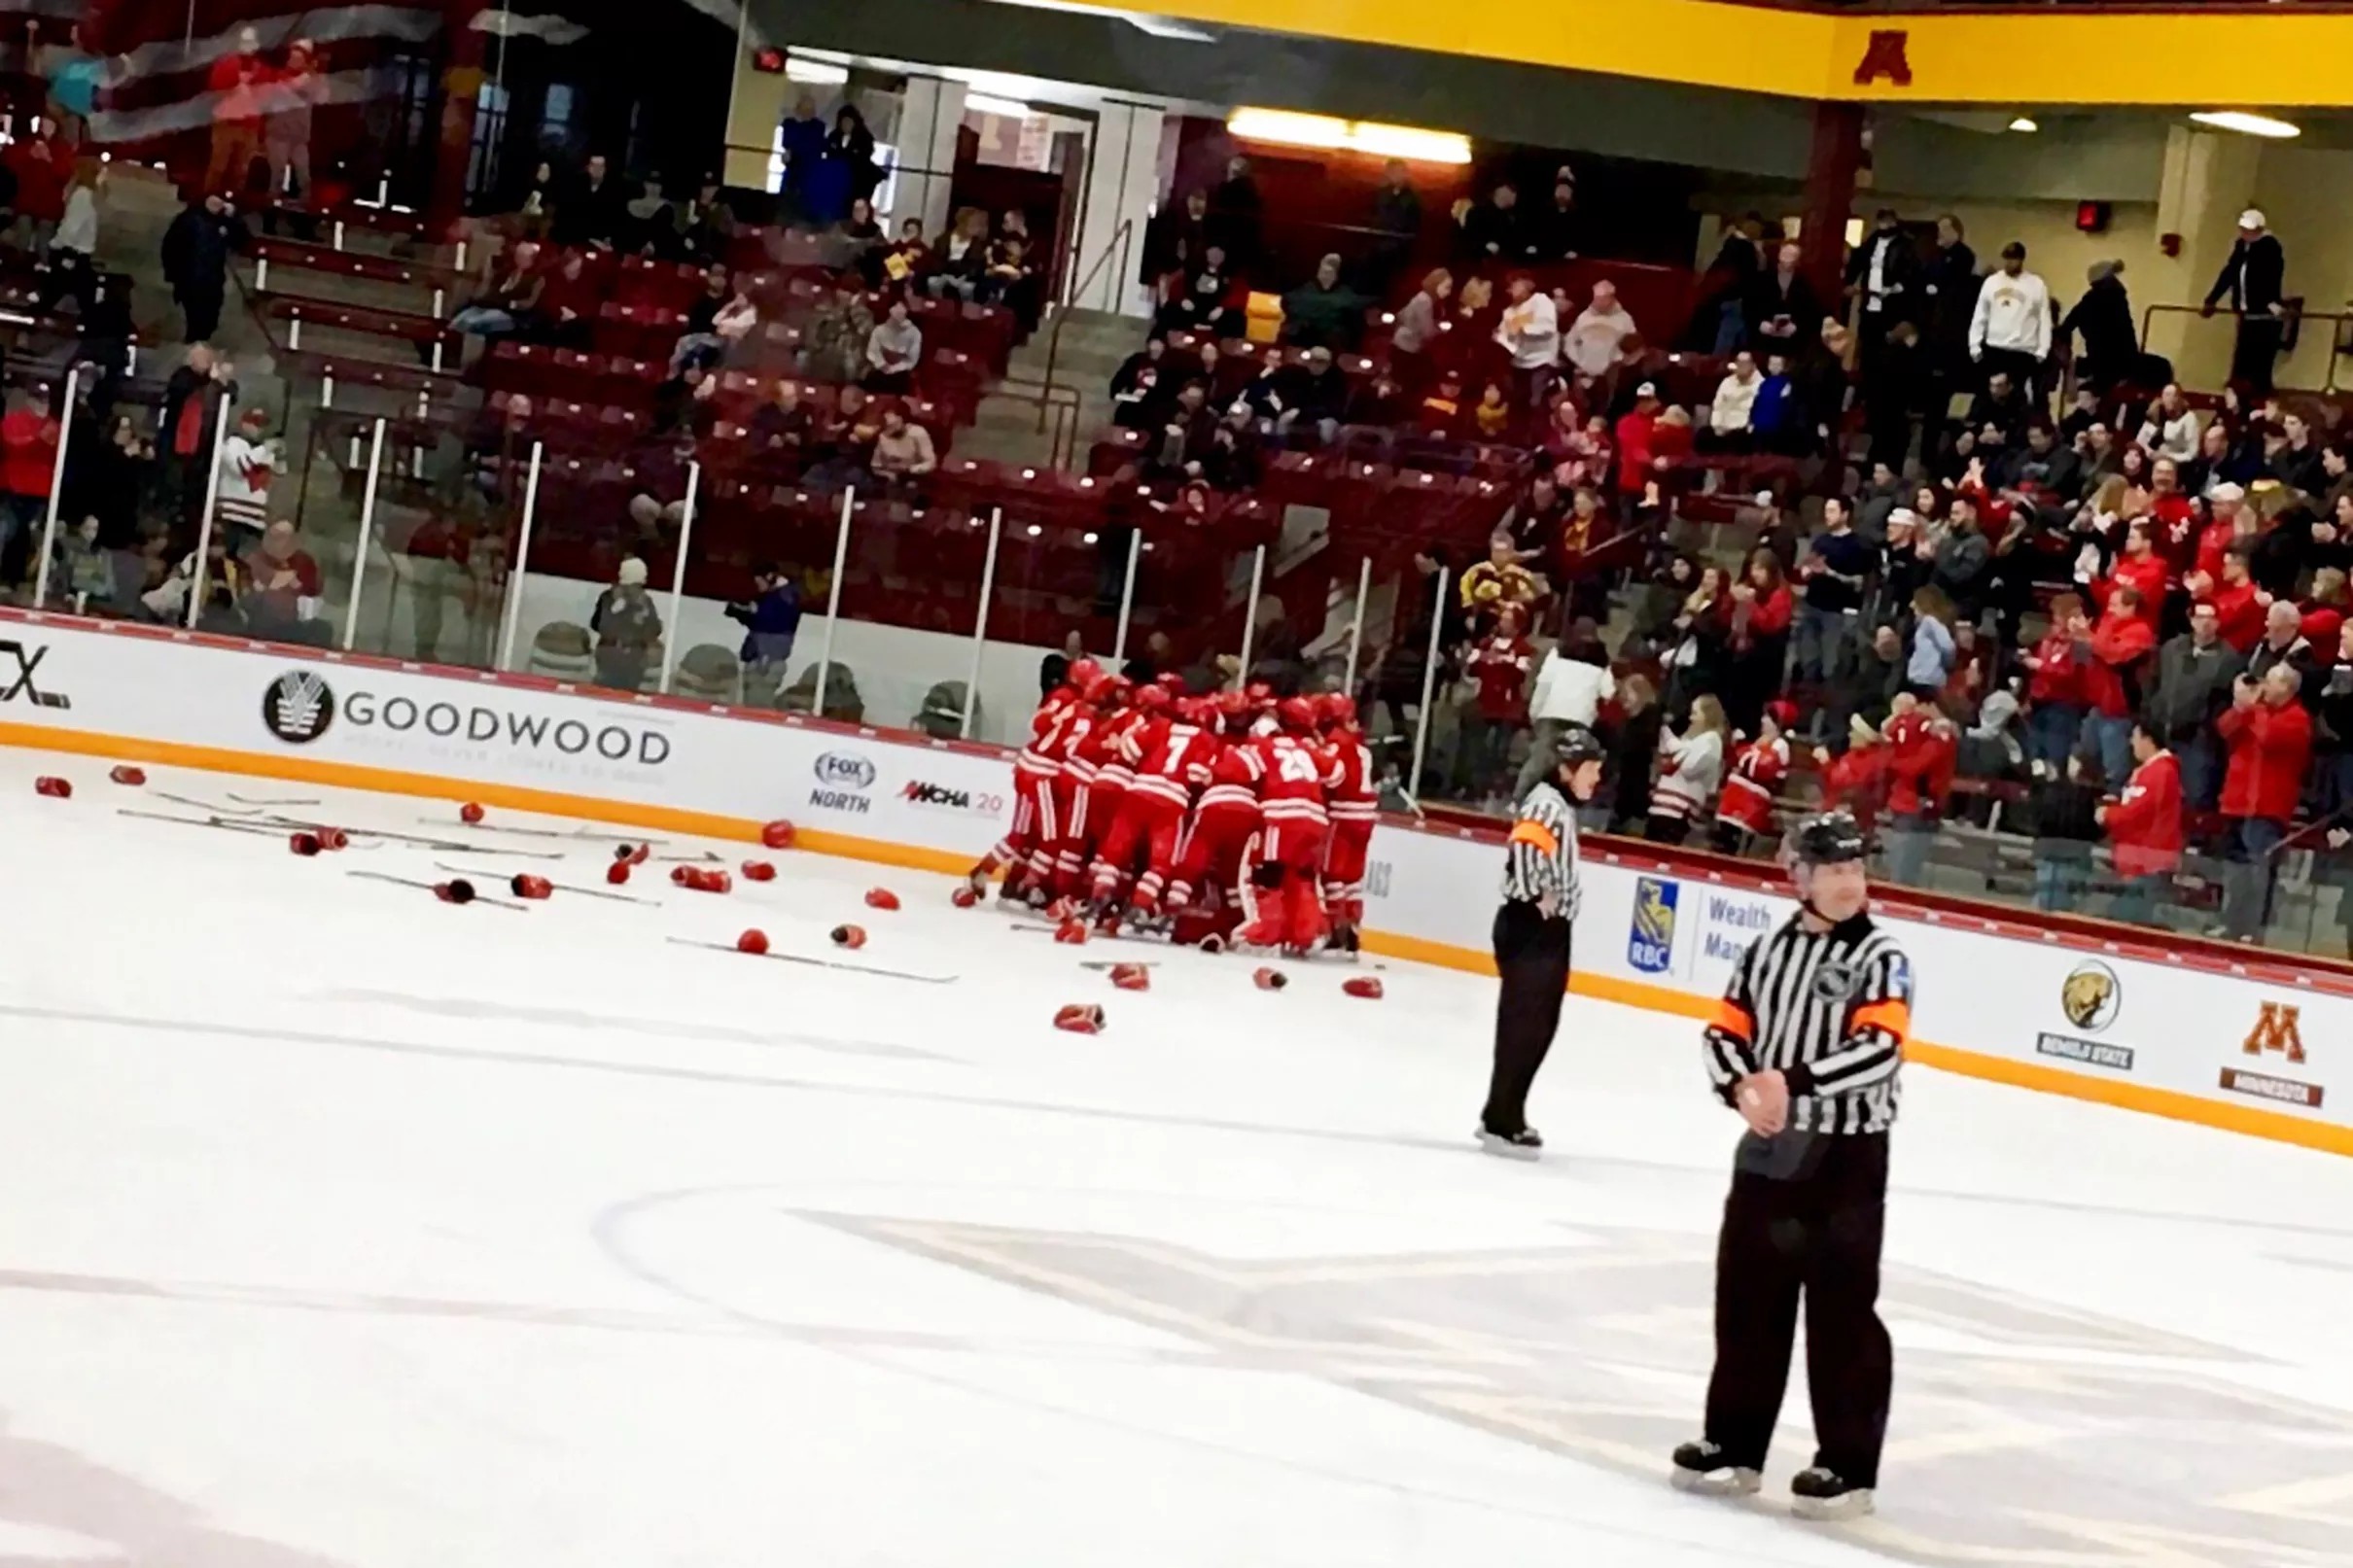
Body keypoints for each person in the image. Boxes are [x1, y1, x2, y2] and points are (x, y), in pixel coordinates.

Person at [1674, 809, 1909, 1521]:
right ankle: (1734, 1443)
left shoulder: (1881, 956)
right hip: (1771, 1148)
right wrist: (1741, 1087)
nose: (1848, 883)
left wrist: (1792, 1081)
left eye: (1854, 868)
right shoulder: (1766, 951)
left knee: (1841, 1308)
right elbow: (1725, 1029)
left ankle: (1846, 1463)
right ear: (1798, 875)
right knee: (1747, 1296)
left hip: (1845, 1154)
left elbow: (1882, 1046)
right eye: (1832, 869)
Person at [1480, 727, 1606, 1159]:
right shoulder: (1548, 805)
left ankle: (1505, 1113)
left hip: (1536, 928)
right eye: (1591, 768)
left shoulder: (1553, 803)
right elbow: (1525, 848)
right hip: (1533, 929)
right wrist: (1537, 895)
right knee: (1526, 1026)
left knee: (1532, 1025)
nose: (1596, 778)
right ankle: (1502, 1119)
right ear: (1567, 768)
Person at [2215, 663, 2313, 941]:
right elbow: (2224, 728)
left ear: (2286, 687)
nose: (2264, 687)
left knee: (2259, 870)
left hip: (2267, 807)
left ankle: (2254, 929)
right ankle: (2230, 923)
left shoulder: (2298, 718)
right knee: (2234, 869)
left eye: (2270, 682)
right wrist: (2240, 706)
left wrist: (2254, 708)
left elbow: (2269, 738)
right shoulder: (2256, 712)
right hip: (2237, 801)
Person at [2099, 718, 2184, 925]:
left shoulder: (2160, 772)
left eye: (2135, 737)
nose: (2131, 742)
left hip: (2146, 862)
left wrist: (2108, 815)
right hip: (2139, 860)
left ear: (2148, 739)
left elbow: (2139, 812)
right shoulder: (2150, 771)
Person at [2204, 209, 2287, 395]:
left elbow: (2269, 277)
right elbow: (2230, 273)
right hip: (2246, 311)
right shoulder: (2241, 247)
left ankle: (2255, 389)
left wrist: (2270, 302)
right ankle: (2239, 386)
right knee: (2243, 355)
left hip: (2262, 312)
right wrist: (2212, 299)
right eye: (2243, 230)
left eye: (2249, 231)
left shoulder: (2270, 247)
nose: (2245, 234)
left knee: (2258, 358)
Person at [1968, 241, 2050, 397]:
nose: (2009, 263)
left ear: (2021, 260)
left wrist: (2042, 349)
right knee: (1991, 393)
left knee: (2017, 395)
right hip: (1995, 347)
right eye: (2006, 259)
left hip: (2023, 350)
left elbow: (2044, 318)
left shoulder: (2036, 284)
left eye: (2013, 259)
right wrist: (1974, 344)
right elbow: (1980, 315)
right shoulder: (1992, 282)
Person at [160, 191, 240, 344]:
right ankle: (194, 344)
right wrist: (172, 273)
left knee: (210, 318)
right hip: (190, 277)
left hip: (213, 278)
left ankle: (199, 341)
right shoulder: (188, 219)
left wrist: (233, 220)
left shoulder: (224, 221)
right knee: (195, 317)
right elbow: (170, 246)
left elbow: (240, 241)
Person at [590, 557, 664, 692]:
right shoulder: (608, 597)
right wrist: (613, 608)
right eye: (631, 585)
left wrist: (644, 614)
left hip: (633, 661)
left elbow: (655, 631)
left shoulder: (645, 602)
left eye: (637, 586)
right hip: (609, 657)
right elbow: (597, 625)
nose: (633, 590)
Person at [862, 299, 923, 394]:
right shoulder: (879, 330)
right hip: (879, 374)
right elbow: (871, 351)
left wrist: (894, 368)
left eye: (902, 311)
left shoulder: (914, 333)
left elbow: (912, 359)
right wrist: (882, 364)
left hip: (901, 377)